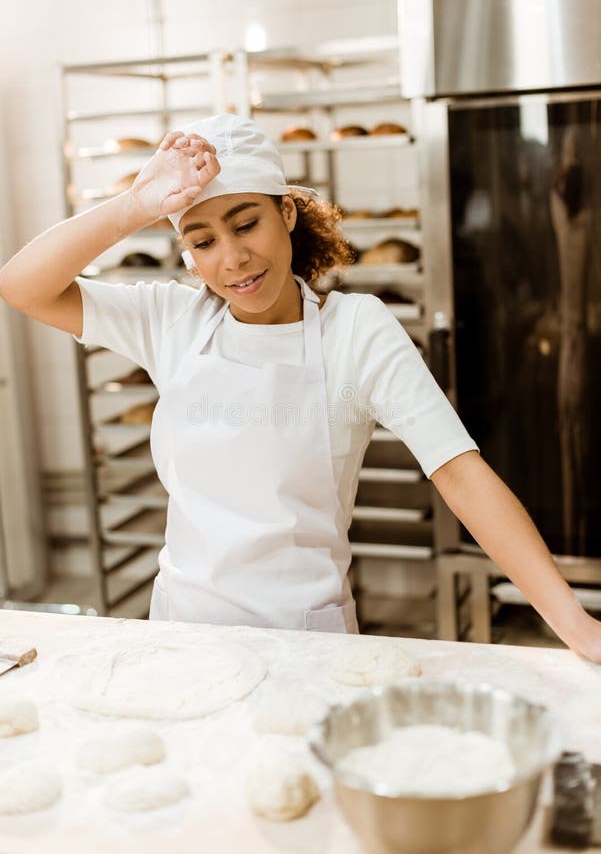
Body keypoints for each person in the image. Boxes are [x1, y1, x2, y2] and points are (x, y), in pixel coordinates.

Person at [1, 114, 600, 658]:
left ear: (287, 212)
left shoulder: (356, 330)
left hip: (306, 645)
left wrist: (576, 625)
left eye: (247, 224)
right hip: (181, 638)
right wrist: (133, 207)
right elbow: (22, 286)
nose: (232, 258)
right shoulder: (169, 322)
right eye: (203, 241)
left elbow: (460, 471)